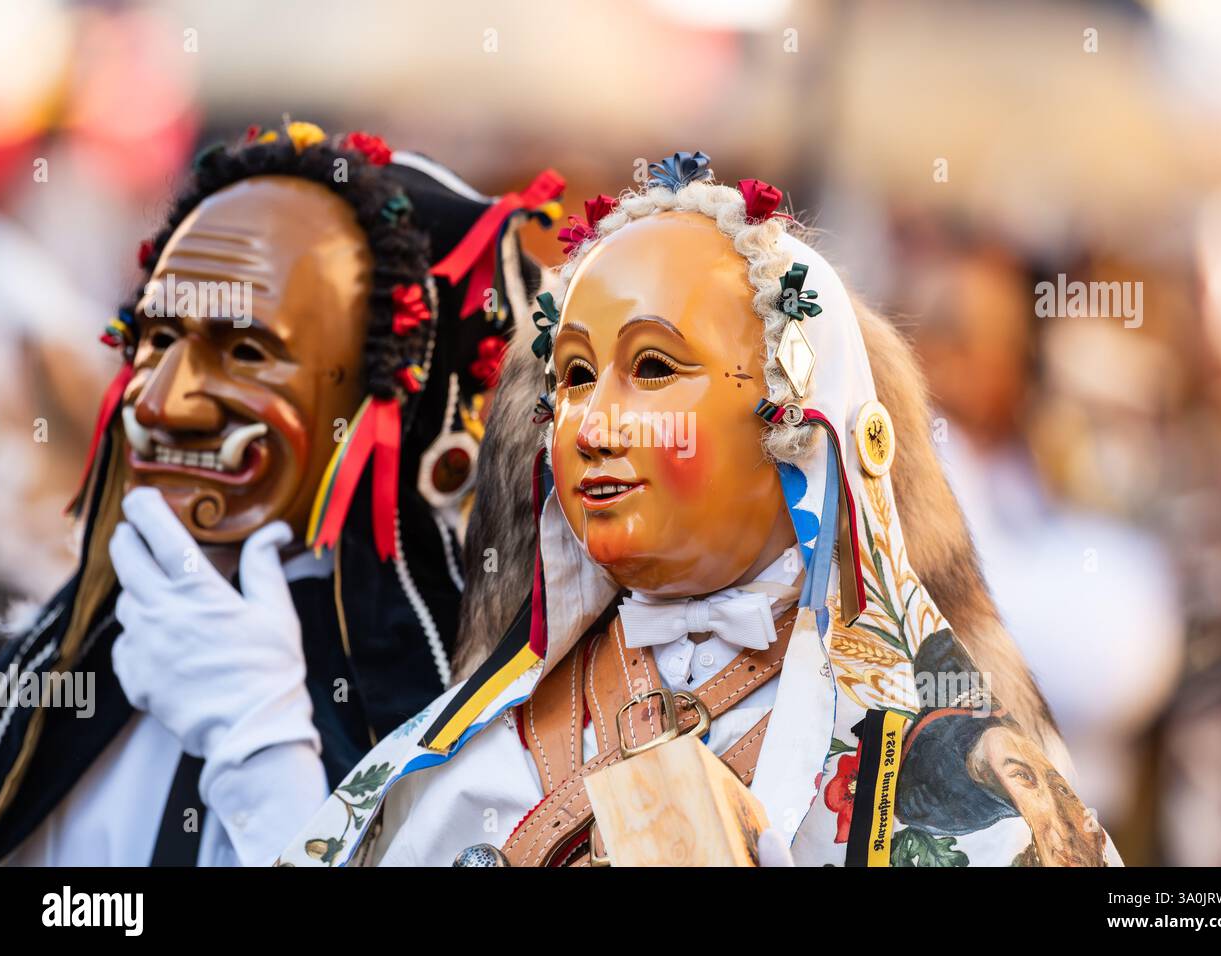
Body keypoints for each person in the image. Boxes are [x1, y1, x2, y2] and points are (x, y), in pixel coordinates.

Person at [279, 152, 1114, 867]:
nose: (593, 425)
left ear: (793, 417)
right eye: (573, 377)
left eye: (651, 368)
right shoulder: (465, 749)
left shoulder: (945, 767)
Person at [0, 122, 560, 866]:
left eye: (247, 351)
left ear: (387, 397)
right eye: (157, 339)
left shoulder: (496, 735)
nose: (165, 401)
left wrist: (261, 755)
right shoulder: (44, 687)